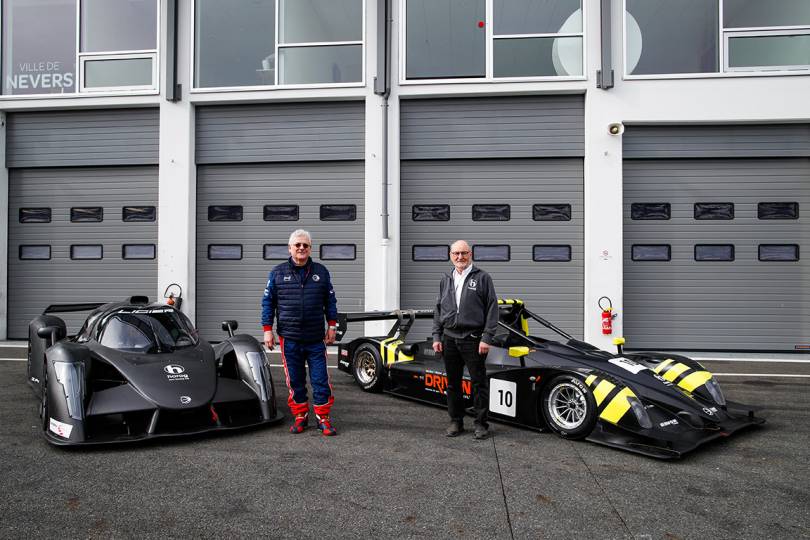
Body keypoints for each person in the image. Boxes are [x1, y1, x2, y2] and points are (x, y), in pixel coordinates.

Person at [262, 229, 338, 436]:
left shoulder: (321, 272)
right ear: (290, 248)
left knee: (320, 380)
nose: (301, 248)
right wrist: (267, 330)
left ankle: (323, 418)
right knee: (295, 380)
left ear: (310, 248)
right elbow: (268, 303)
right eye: (297, 245)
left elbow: (330, 301)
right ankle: (300, 416)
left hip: (315, 338)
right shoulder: (277, 273)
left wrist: (332, 326)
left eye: (305, 245)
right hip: (290, 338)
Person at [432, 240, 499, 440]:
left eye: (463, 253)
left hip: (473, 339)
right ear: (450, 256)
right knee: (453, 384)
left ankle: (481, 424)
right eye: (456, 253)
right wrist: (436, 335)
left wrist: (487, 337)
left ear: (470, 254)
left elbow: (492, 308)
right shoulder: (446, 279)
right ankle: (456, 421)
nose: (460, 257)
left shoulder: (483, 278)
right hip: (449, 339)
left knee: (478, 383)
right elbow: (438, 309)